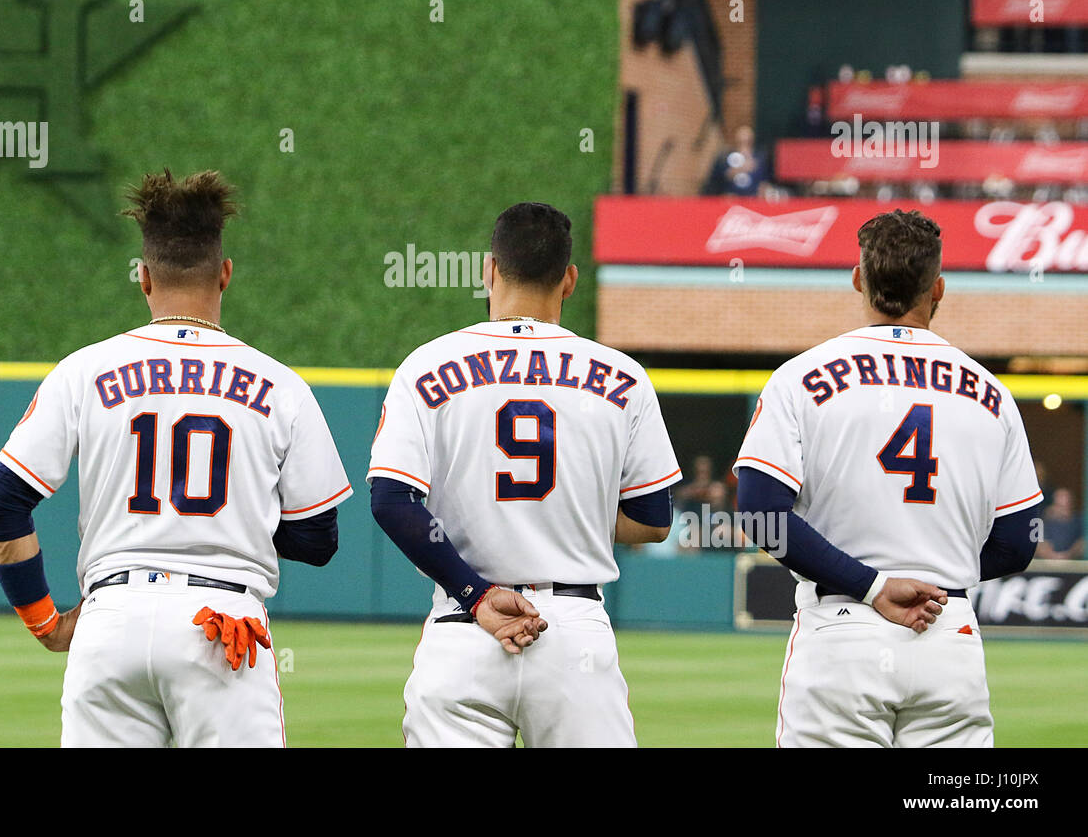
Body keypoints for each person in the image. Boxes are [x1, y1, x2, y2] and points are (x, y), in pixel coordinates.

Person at [0, 169, 352, 747]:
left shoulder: (84, 369)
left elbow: (2, 505)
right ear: (225, 274)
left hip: (111, 621)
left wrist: (47, 623)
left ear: (144, 277)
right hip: (222, 629)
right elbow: (319, 540)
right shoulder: (280, 385)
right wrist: (234, 515)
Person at [369, 202, 681, 747]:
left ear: (489, 270)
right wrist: (568, 512)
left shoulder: (425, 365)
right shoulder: (623, 375)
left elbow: (392, 502)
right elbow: (653, 520)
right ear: (569, 280)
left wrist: (476, 593)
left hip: (463, 624)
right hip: (572, 630)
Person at [733, 209, 1041, 747]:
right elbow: (1016, 545)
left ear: (860, 279)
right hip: (948, 631)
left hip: (842, 628)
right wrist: (936, 580)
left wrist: (874, 585)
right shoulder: (993, 393)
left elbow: (762, 515)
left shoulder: (800, 376)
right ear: (938, 288)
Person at [1036, 488, 1084, 560]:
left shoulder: (1079, 522)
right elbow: (1037, 544)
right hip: (1046, 566)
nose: (1062, 510)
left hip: (1074, 565)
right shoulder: (1044, 522)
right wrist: (1051, 555)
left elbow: (1083, 543)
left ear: (1071, 505)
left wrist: (1068, 555)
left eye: (1065, 506)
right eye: (1059, 505)